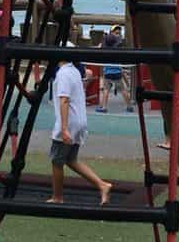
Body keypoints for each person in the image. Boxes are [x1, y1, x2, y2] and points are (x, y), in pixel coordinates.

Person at [47, 51, 112, 206]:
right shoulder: (74, 71)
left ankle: (57, 197)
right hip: (79, 120)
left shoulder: (63, 73)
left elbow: (64, 100)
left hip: (69, 121)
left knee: (56, 160)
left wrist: (64, 128)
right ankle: (102, 185)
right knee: (70, 159)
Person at [95, 25, 132, 113]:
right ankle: (129, 106)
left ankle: (104, 107)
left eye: (118, 33)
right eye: (116, 33)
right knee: (123, 89)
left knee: (106, 89)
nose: (118, 34)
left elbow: (99, 49)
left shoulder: (105, 44)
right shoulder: (119, 44)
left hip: (108, 71)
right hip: (117, 71)